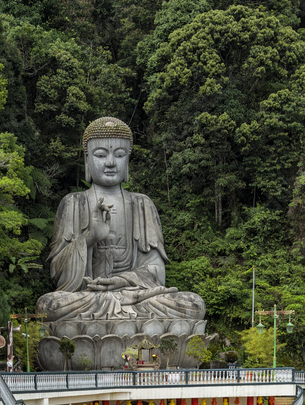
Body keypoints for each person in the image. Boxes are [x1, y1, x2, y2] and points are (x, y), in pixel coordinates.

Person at [35, 116, 205, 326]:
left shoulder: (142, 204)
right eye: (100, 154)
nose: (110, 162)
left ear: (127, 161)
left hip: (134, 298)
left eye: (119, 154)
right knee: (49, 305)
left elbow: (157, 273)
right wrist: (91, 237)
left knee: (192, 304)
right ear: (87, 159)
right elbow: (58, 276)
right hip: (90, 297)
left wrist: (122, 281)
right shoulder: (73, 203)